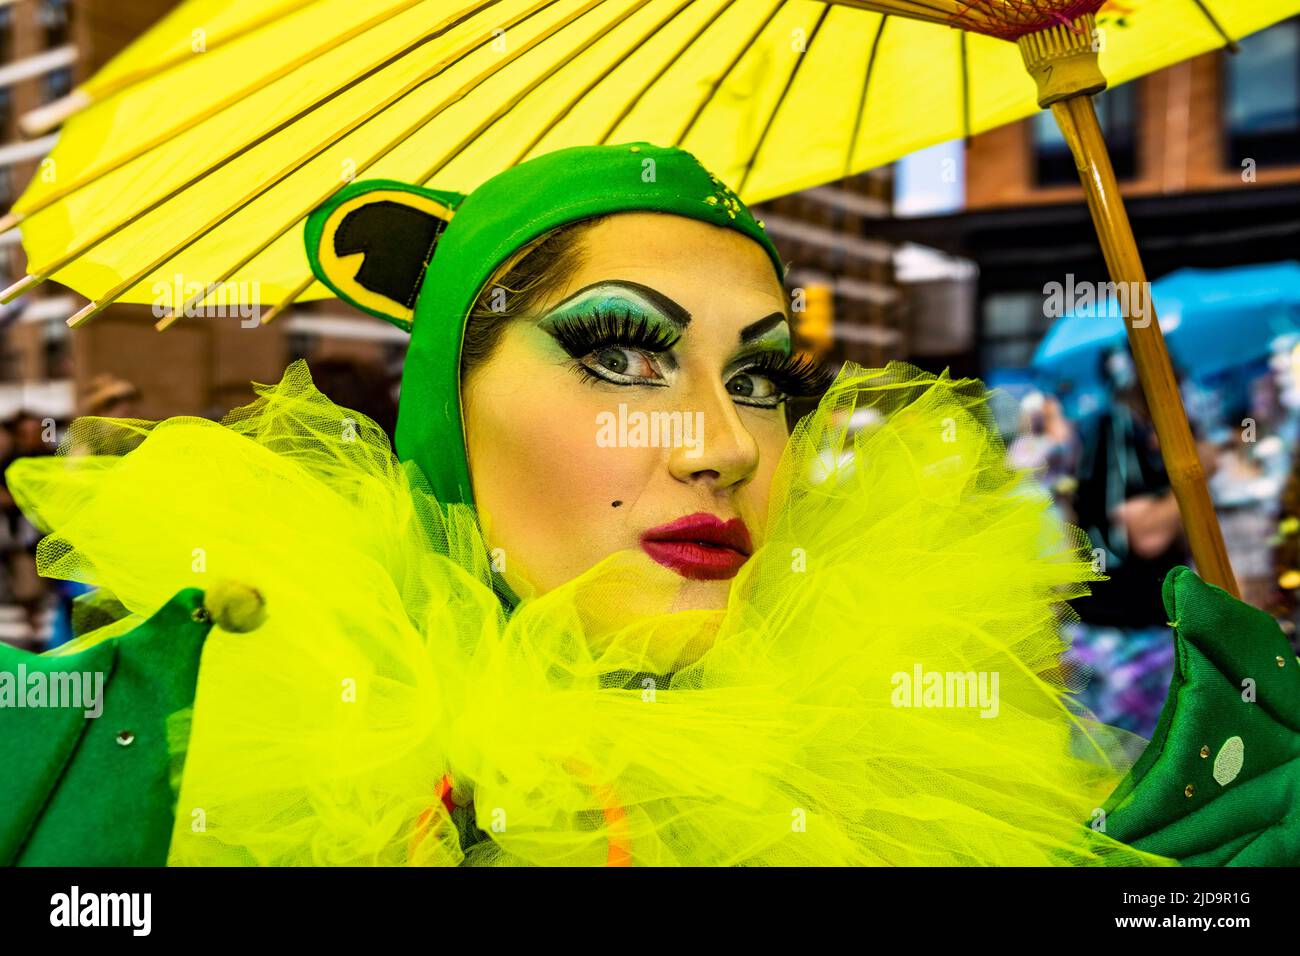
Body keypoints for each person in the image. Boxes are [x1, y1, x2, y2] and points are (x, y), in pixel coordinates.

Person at [3, 144, 1198, 866]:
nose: (725, 446)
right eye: (623, 353)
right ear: (448, 410)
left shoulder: (890, 765)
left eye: (760, 376)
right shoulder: (172, 746)